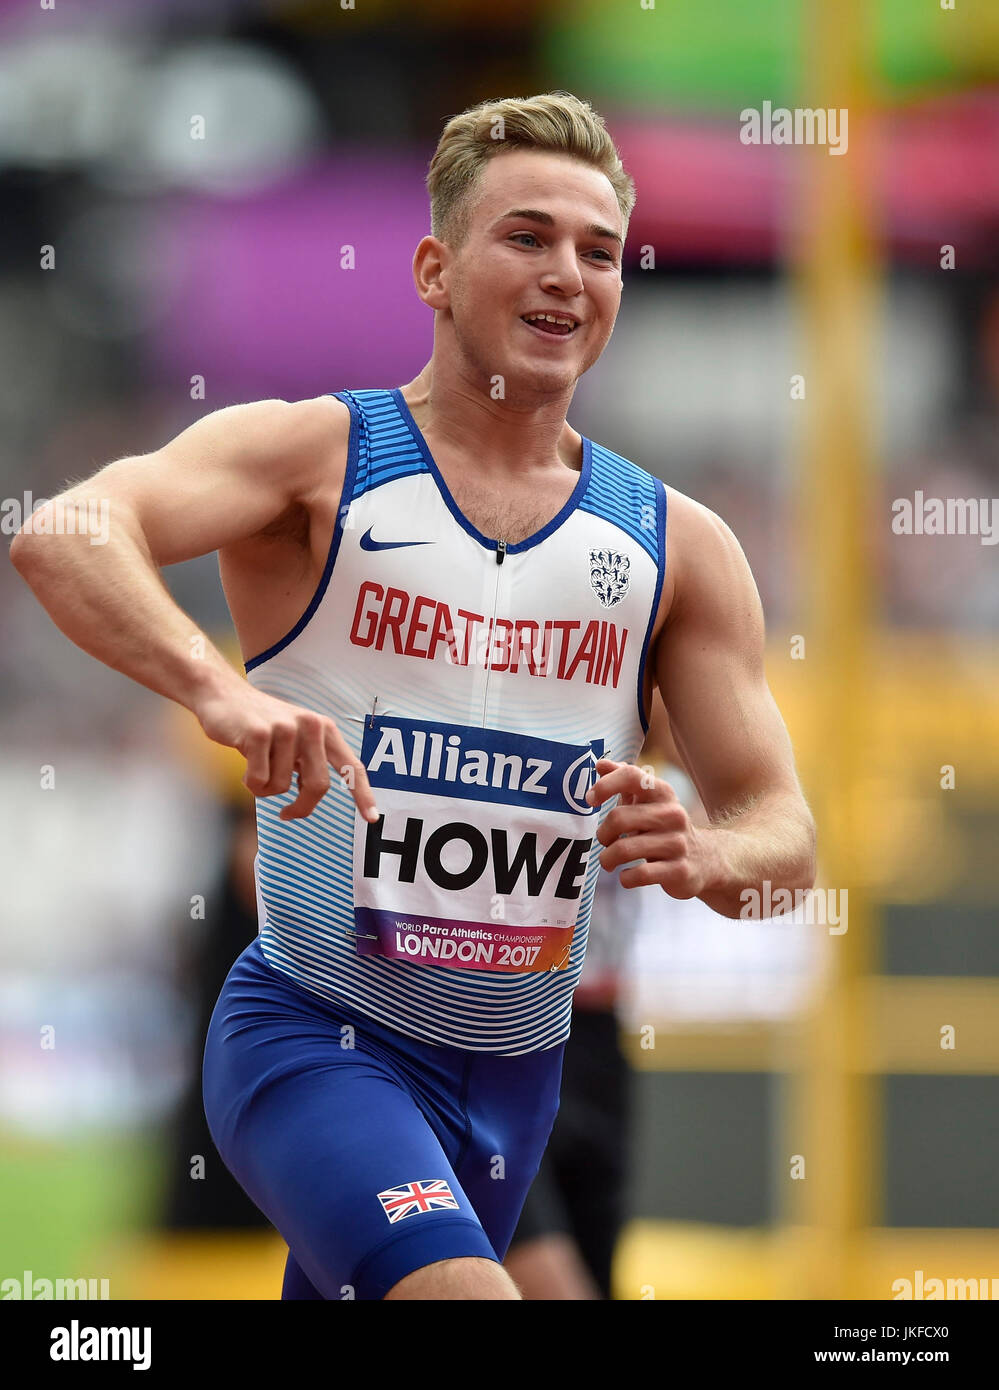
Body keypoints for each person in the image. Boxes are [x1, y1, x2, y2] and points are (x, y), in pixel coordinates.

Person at [10, 91, 815, 1301]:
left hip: (522, 1071)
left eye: (600, 252)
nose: (568, 276)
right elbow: (66, 532)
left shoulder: (677, 546)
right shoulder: (317, 458)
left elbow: (787, 841)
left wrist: (708, 847)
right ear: (436, 270)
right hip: (316, 1033)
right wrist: (217, 694)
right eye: (528, 237)